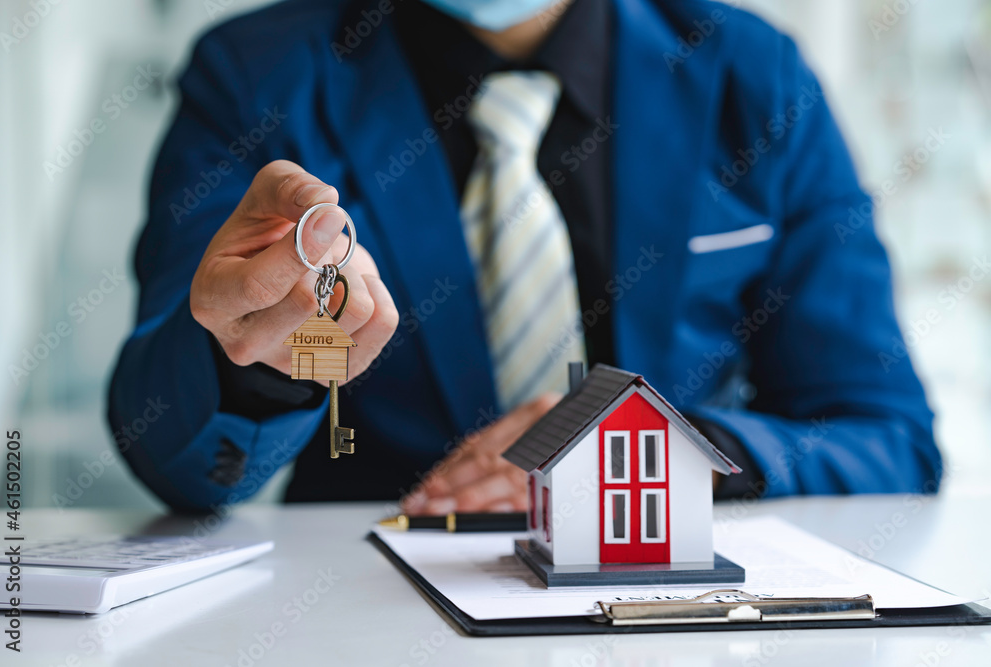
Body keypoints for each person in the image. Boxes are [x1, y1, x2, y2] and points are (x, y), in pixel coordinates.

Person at [108, 0, 942, 513]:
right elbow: (174, 456)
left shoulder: (753, 77)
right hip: (367, 610)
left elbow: (888, 437)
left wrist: (678, 457)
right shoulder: (258, 77)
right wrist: (258, 360)